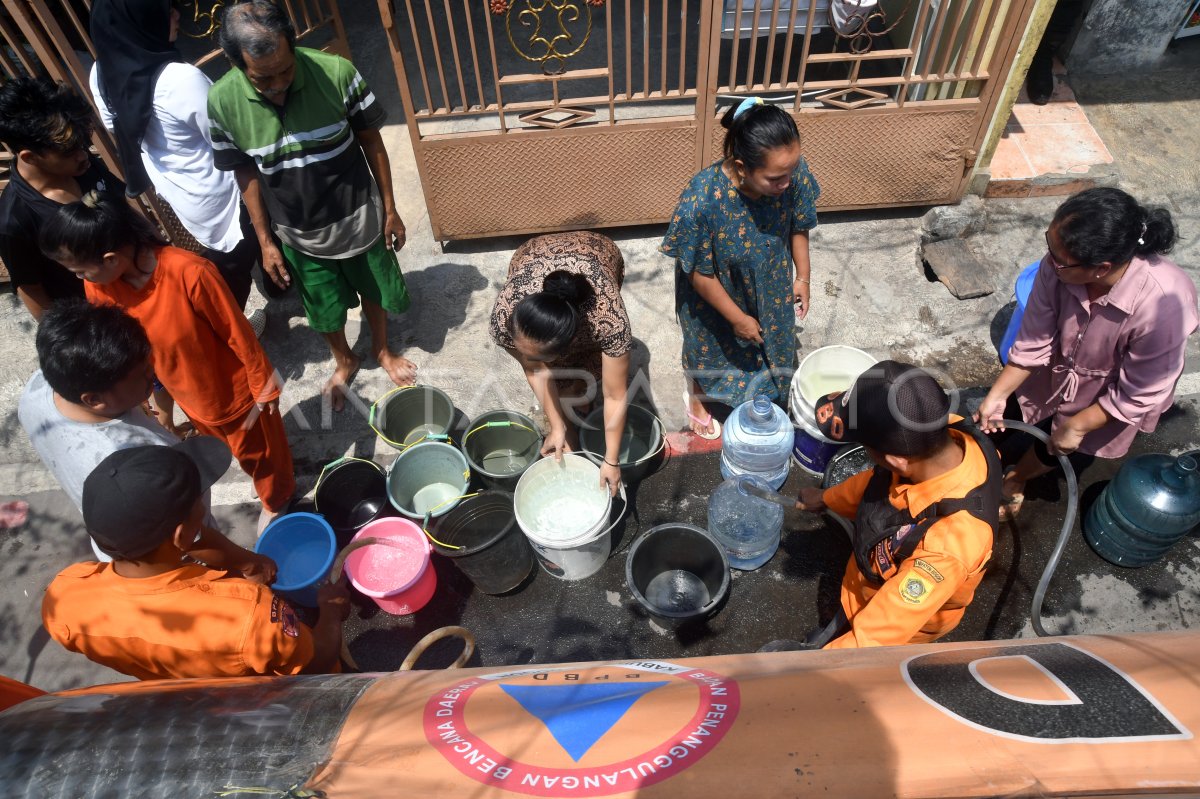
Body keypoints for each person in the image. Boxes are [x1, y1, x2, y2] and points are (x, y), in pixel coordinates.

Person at [39, 191, 295, 531]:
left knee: (261, 456)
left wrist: (263, 386)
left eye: (80, 270)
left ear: (112, 258)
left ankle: (278, 500)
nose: (80, 280)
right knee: (232, 450)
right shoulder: (101, 288)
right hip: (188, 395)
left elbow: (239, 335)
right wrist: (158, 406)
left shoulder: (190, 273)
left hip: (233, 394)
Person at [207, 0, 415, 410]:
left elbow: (371, 140)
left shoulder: (336, 72)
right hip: (297, 233)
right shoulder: (222, 102)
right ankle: (345, 359)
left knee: (373, 287)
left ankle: (381, 350)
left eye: (286, 70)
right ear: (235, 64)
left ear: (293, 44)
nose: (279, 84)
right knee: (322, 307)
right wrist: (266, 242)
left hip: (360, 216)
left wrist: (390, 208)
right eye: (263, 79)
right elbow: (244, 172)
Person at [977, 188, 1198, 519]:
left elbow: (1137, 393)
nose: (1048, 262)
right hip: (1060, 365)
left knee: (1059, 437)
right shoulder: (1058, 266)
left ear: (1100, 268)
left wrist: (1079, 425)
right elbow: (1035, 337)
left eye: (1059, 259)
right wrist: (999, 392)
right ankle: (990, 456)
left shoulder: (1164, 305)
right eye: (1049, 245)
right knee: (1013, 405)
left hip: (1110, 388)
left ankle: (1017, 478)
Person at [41, 444, 352, 680]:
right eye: (198, 510)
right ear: (181, 536)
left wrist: (247, 563)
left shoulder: (65, 598)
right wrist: (331, 610)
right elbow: (318, 661)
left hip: (193, 700)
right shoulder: (249, 616)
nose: (203, 511)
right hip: (269, 695)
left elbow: (191, 539)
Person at [769, 361, 1001, 650]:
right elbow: (874, 483)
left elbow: (872, 639)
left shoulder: (947, 549)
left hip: (898, 616)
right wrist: (826, 498)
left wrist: (809, 669)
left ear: (896, 461)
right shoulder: (946, 433)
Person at [88, 0, 263, 314]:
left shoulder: (100, 73)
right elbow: (232, 138)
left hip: (177, 191)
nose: (176, 14)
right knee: (238, 265)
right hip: (222, 191)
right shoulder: (178, 80)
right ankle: (232, 334)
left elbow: (118, 127)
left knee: (221, 263)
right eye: (163, 10)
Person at [662, 96, 819, 437]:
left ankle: (762, 387)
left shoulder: (791, 172)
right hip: (716, 291)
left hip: (771, 280)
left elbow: (799, 223)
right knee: (711, 349)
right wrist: (737, 318)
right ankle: (699, 396)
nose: (787, 183)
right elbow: (698, 274)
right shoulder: (700, 201)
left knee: (771, 342)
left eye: (792, 170)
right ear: (742, 167)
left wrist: (803, 277)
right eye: (776, 178)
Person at [18, 299, 222, 559]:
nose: (154, 374)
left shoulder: (40, 388)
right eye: (142, 375)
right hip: (175, 555)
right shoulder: (136, 459)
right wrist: (246, 564)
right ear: (93, 399)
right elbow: (192, 541)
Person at [489, 231, 633, 494]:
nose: (529, 361)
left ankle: (575, 389)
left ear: (570, 344)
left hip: (598, 250)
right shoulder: (505, 314)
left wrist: (612, 460)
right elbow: (534, 369)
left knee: (595, 371)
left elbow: (614, 395)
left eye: (539, 356)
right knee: (551, 376)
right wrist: (557, 426)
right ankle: (567, 414)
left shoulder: (609, 319)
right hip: (531, 252)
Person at [0, 77, 125, 320]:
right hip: (99, 321)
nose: (83, 155)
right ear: (30, 157)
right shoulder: (13, 222)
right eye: (69, 151)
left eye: (84, 144)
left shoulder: (80, 164)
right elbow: (31, 290)